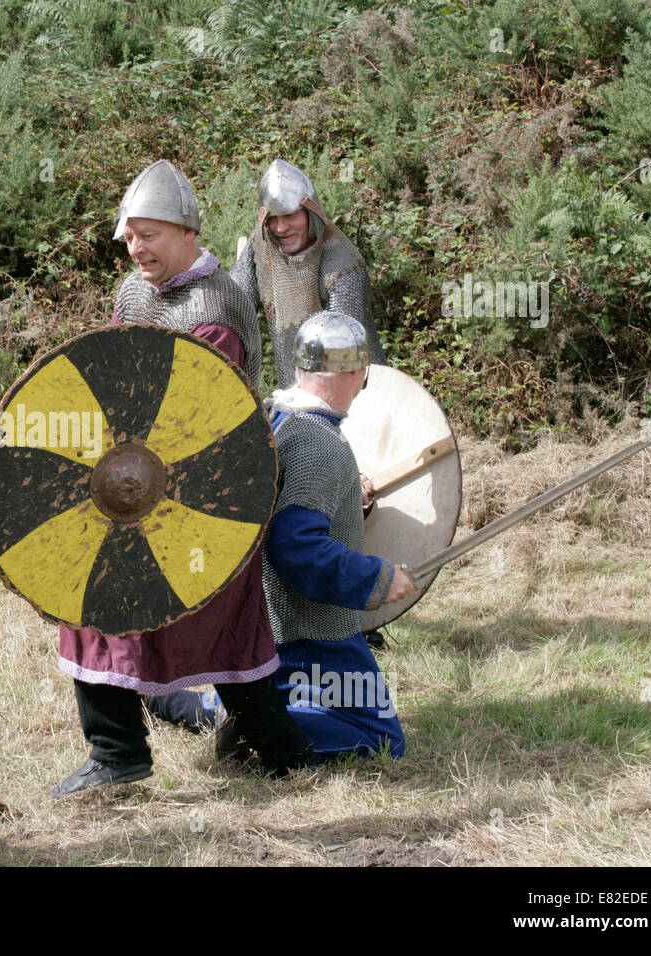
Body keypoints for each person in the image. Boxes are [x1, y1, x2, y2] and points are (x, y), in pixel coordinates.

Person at [53, 160, 314, 797]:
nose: (138, 248)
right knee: (100, 603)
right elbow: (112, 378)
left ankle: (271, 746)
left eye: (151, 235)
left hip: (214, 490)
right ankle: (133, 750)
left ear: (186, 233)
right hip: (147, 482)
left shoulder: (212, 305)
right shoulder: (134, 294)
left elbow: (189, 413)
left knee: (213, 618)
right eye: (130, 236)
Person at [262, 311, 413, 759]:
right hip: (313, 628)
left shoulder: (279, 418)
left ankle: (199, 703)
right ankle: (264, 731)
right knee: (380, 738)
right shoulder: (320, 443)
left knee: (284, 690)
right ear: (357, 373)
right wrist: (375, 579)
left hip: (269, 625)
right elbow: (297, 547)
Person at [230, 159, 386, 391]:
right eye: (273, 219)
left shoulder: (342, 263)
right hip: (293, 392)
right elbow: (232, 309)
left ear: (310, 213)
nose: (281, 228)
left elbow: (345, 355)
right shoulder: (261, 246)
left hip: (354, 396)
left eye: (291, 216)